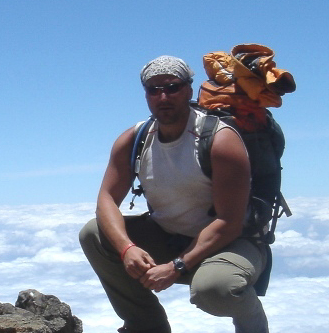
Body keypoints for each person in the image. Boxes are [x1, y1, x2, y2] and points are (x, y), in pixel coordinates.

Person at [79, 56, 269, 333]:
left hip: (231, 243)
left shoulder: (219, 139)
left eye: (172, 87)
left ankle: (253, 322)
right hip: (170, 236)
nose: (163, 97)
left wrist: (177, 267)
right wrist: (127, 248)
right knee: (94, 234)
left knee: (216, 290)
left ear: (188, 90)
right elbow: (106, 200)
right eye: (154, 90)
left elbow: (230, 222)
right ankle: (146, 327)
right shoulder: (135, 140)